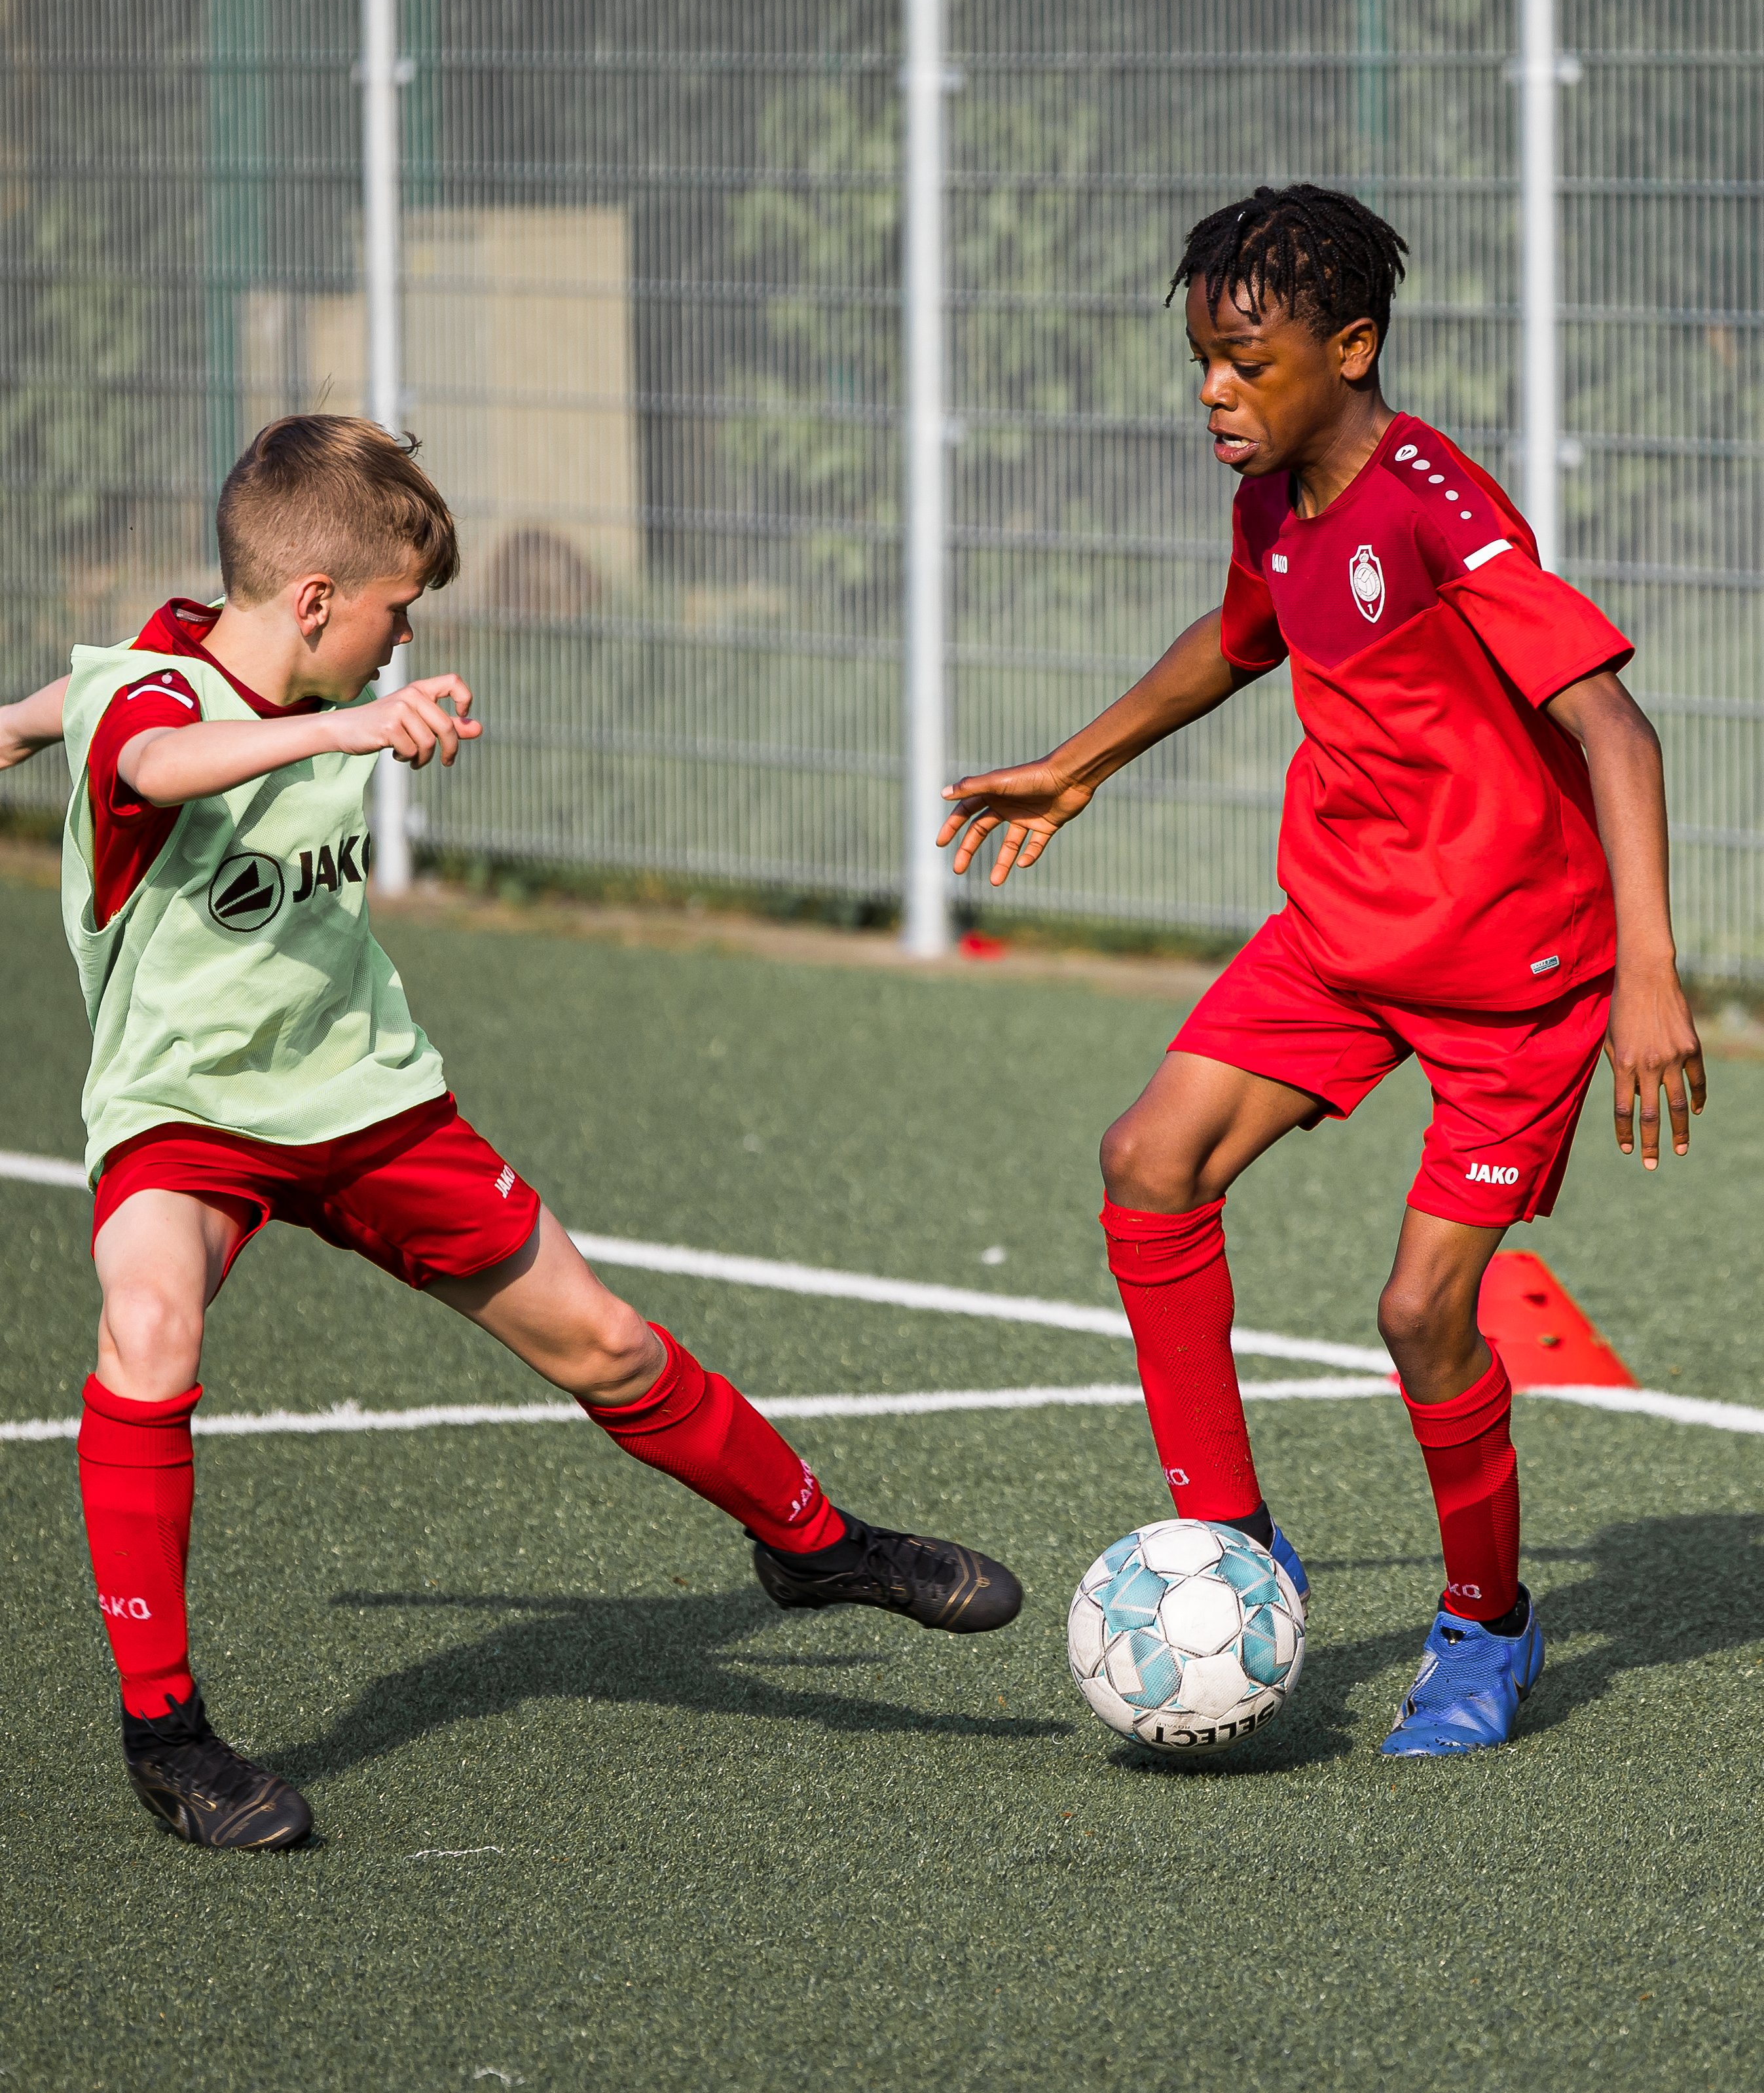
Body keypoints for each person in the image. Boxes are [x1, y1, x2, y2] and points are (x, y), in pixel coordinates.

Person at [28, 412, 1020, 1852]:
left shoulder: (202, 674)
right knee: (148, 1330)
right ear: (315, 600)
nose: (401, 640)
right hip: (184, 1112)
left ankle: (817, 1545)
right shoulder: (158, 694)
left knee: (606, 1343)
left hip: (367, 1098)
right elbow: (154, 752)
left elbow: (55, 712)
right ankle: (167, 1733)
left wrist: (19, 725)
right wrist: (348, 726)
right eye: (395, 612)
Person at [937, 184, 1704, 1758]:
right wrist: (1078, 765)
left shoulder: (1438, 507)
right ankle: (1231, 1540)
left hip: (1520, 967)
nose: (1215, 395)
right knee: (1149, 1161)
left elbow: (1615, 729)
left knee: (1422, 1313)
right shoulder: (1272, 503)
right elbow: (1239, 640)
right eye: (1204, 364)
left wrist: (1650, 977)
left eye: (1249, 363)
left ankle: (1488, 1621)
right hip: (1348, 934)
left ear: (1351, 350)